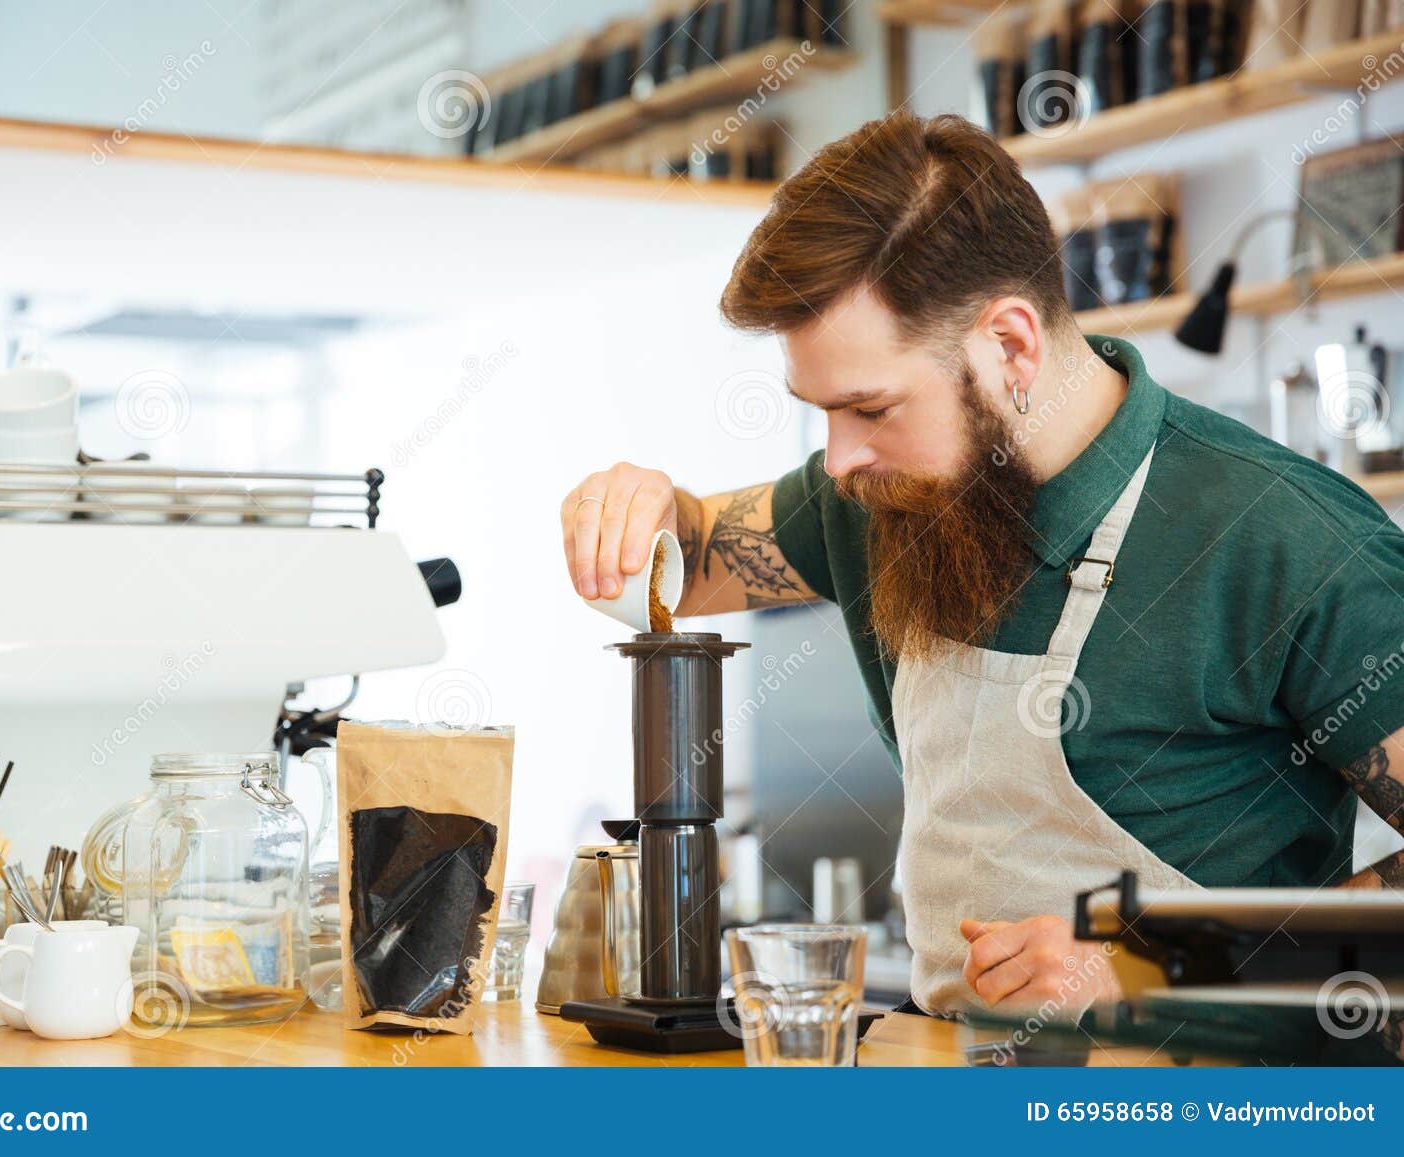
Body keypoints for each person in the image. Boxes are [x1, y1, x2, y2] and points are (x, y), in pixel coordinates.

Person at [559, 111, 1404, 1046]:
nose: (837, 459)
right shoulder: (888, 497)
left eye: (870, 406)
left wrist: (1156, 968)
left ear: (1011, 345)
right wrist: (637, 508)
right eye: (819, 412)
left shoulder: (1286, 538)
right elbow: (684, 563)